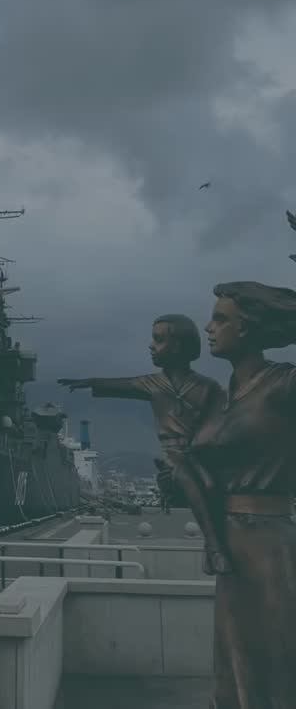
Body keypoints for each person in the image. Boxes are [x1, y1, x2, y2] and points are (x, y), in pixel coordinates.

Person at [160, 281, 296, 709]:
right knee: (233, 660)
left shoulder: (283, 383)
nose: (209, 328)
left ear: (248, 328)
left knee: (274, 655)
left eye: (220, 319)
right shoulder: (222, 398)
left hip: (267, 540)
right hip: (228, 541)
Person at [58, 314, 231, 570]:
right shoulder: (153, 384)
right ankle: (215, 547)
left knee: (210, 481)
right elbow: (121, 384)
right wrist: (90, 382)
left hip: (199, 452)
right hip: (174, 455)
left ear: (178, 346)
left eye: (158, 339)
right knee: (187, 476)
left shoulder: (208, 387)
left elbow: (220, 424)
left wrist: (201, 448)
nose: (151, 345)